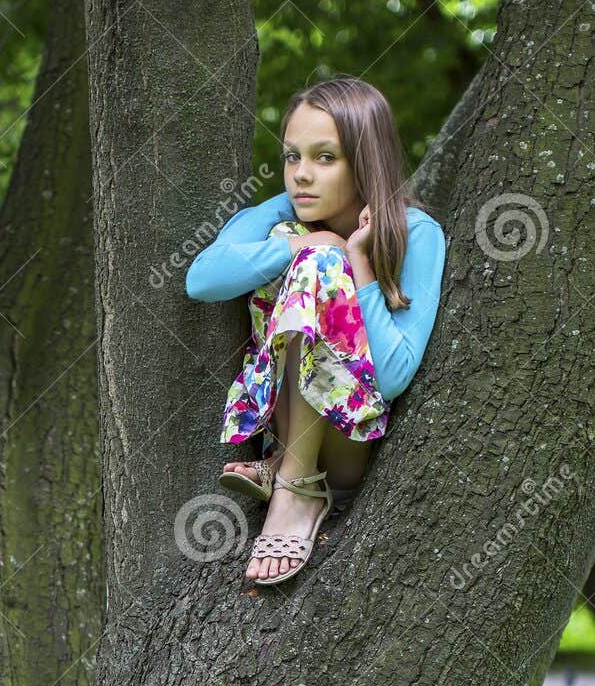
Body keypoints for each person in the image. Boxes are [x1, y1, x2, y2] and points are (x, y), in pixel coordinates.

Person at [185, 75, 447, 584]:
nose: (301, 175)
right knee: (301, 247)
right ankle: (287, 465)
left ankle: (297, 489)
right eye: (291, 156)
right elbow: (202, 279)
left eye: (325, 157)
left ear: (363, 160)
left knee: (320, 266)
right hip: (281, 428)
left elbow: (391, 377)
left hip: (349, 445)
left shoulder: (416, 234)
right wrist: (307, 243)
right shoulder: (281, 217)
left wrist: (353, 259)